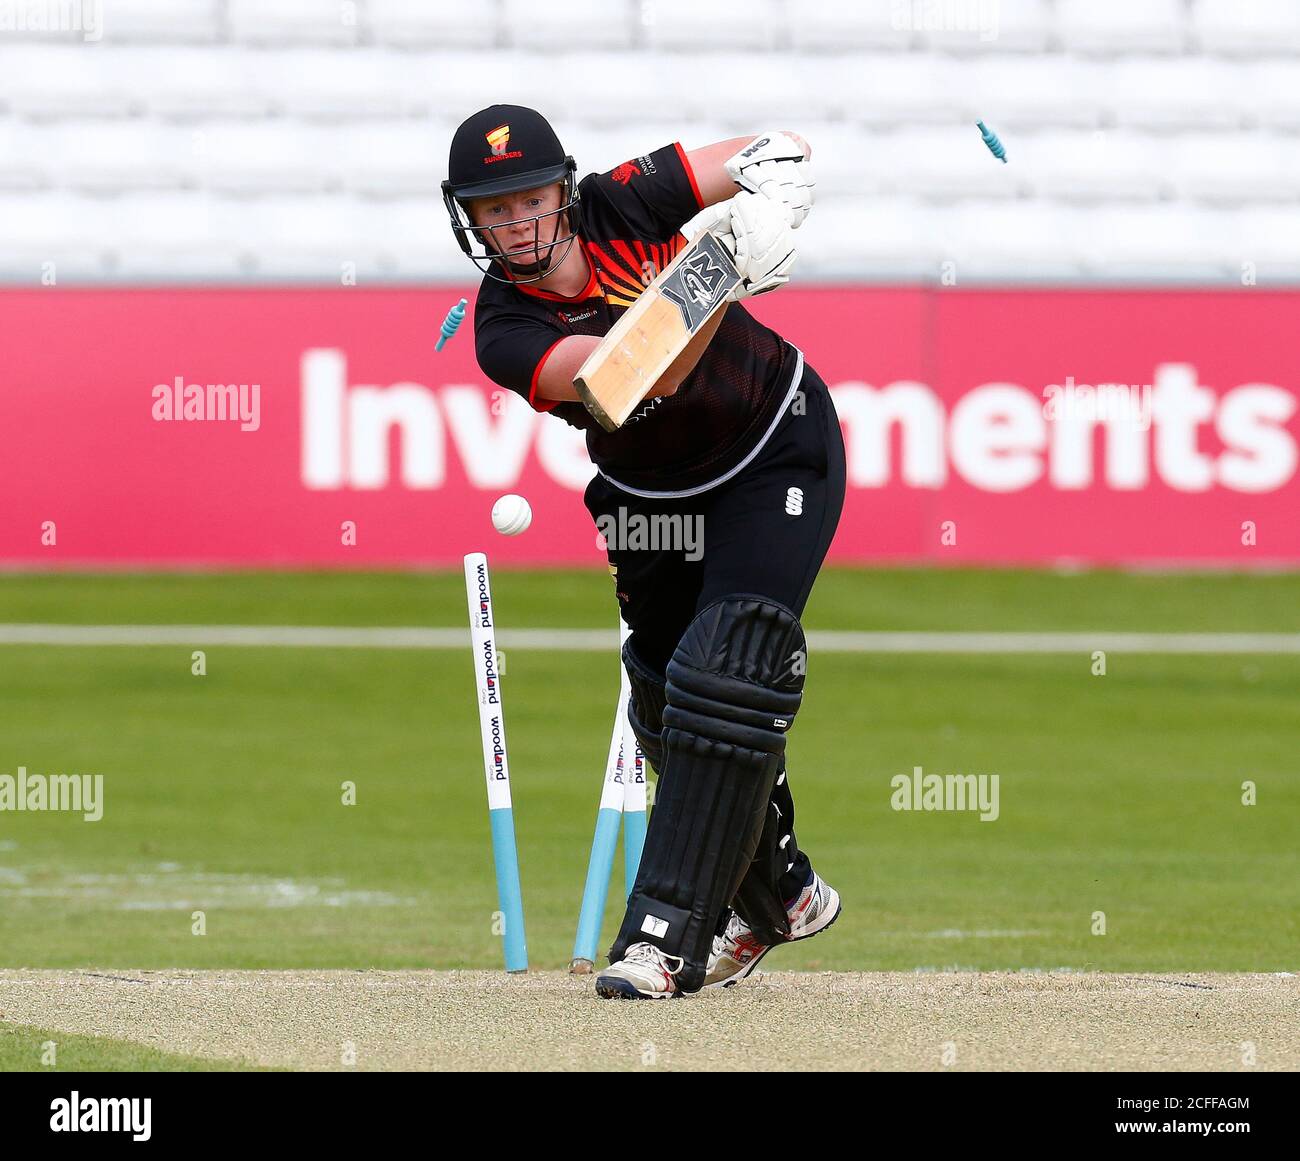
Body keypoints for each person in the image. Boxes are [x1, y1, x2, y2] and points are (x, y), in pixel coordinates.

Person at [444, 104, 846, 999]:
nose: (513, 223)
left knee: (730, 664)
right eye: (491, 210)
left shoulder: (620, 202)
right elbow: (630, 374)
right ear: (469, 220)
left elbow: (769, 150)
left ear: (562, 190)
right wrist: (724, 264)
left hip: (773, 445)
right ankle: (786, 893)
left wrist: (772, 187)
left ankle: (664, 939)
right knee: (668, 708)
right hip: (652, 497)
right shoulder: (504, 330)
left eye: (529, 199)